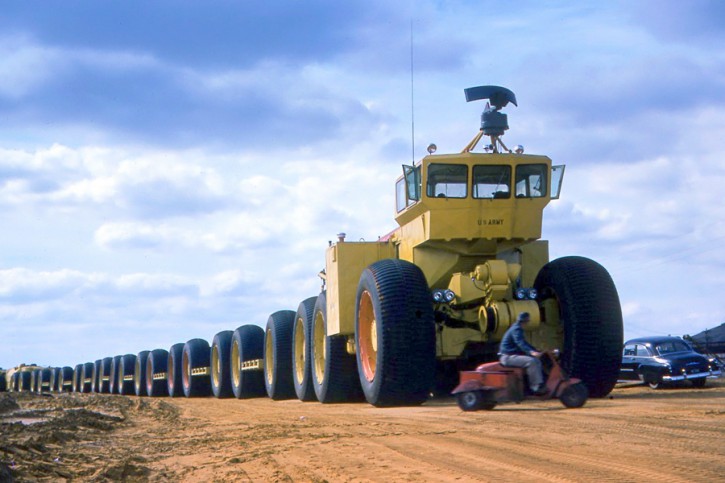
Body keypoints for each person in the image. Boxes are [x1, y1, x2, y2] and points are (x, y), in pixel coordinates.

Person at [499, 312, 547, 395]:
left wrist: (535, 350)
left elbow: (524, 343)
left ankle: (539, 384)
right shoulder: (516, 329)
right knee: (531, 361)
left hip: (510, 356)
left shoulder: (516, 328)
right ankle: (535, 388)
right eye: (527, 321)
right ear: (524, 321)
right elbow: (520, 343)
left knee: (537, 361)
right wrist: (531, 352)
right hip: (507, 357)